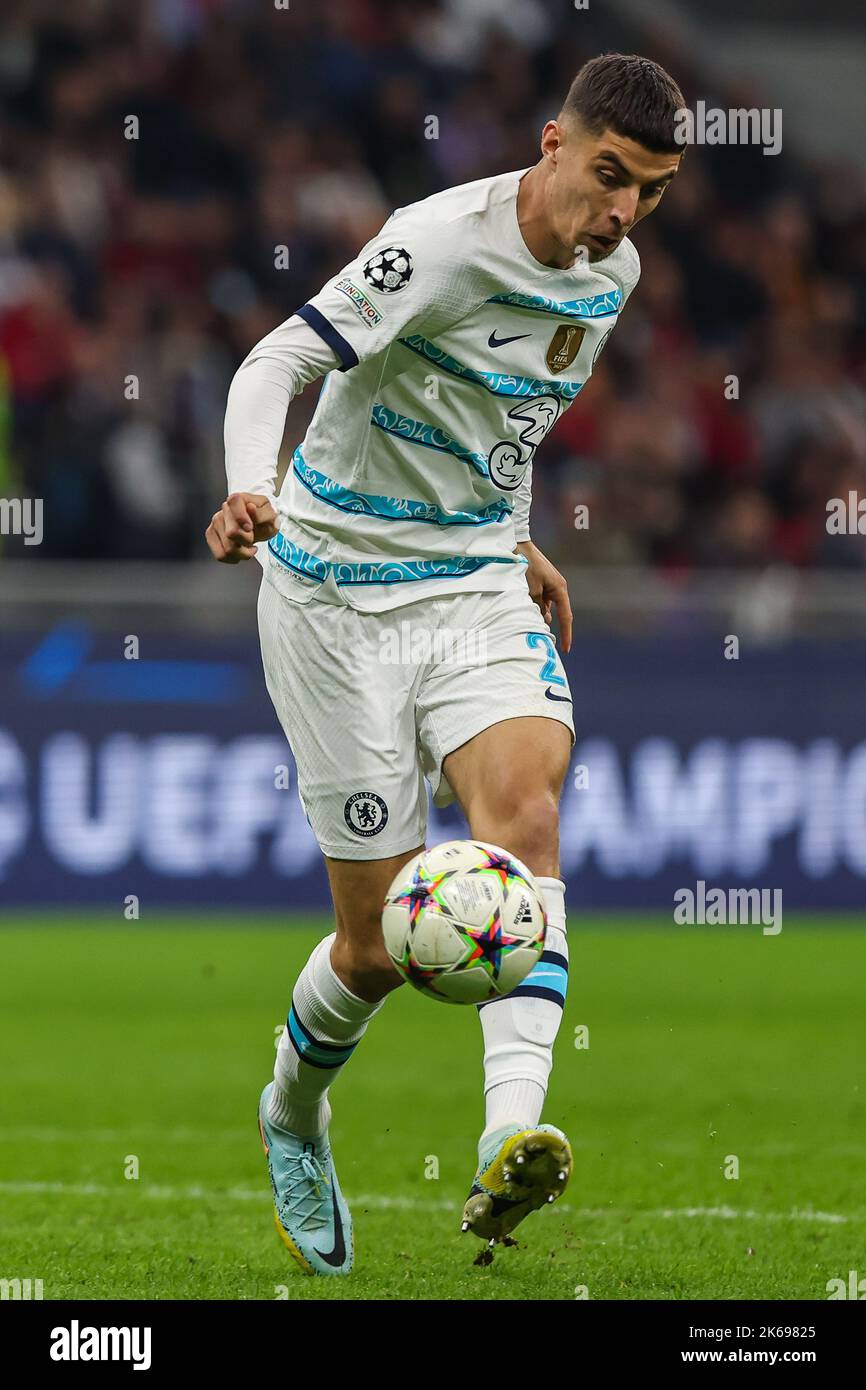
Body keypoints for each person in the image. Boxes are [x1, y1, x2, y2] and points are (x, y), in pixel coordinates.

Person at [207, 52, 684, 1276]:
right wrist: (247, 487)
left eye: (650, 190)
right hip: (329, 595)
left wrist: (513, 534)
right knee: (372, 950)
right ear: (551, 146)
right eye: (610, 177)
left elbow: (508, 421)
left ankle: (508, 1138)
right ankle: (293, 1115)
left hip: (470, 586)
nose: (625, 212)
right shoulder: (435, 243)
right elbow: (276, 360)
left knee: (524, 819)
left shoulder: (608, 273)